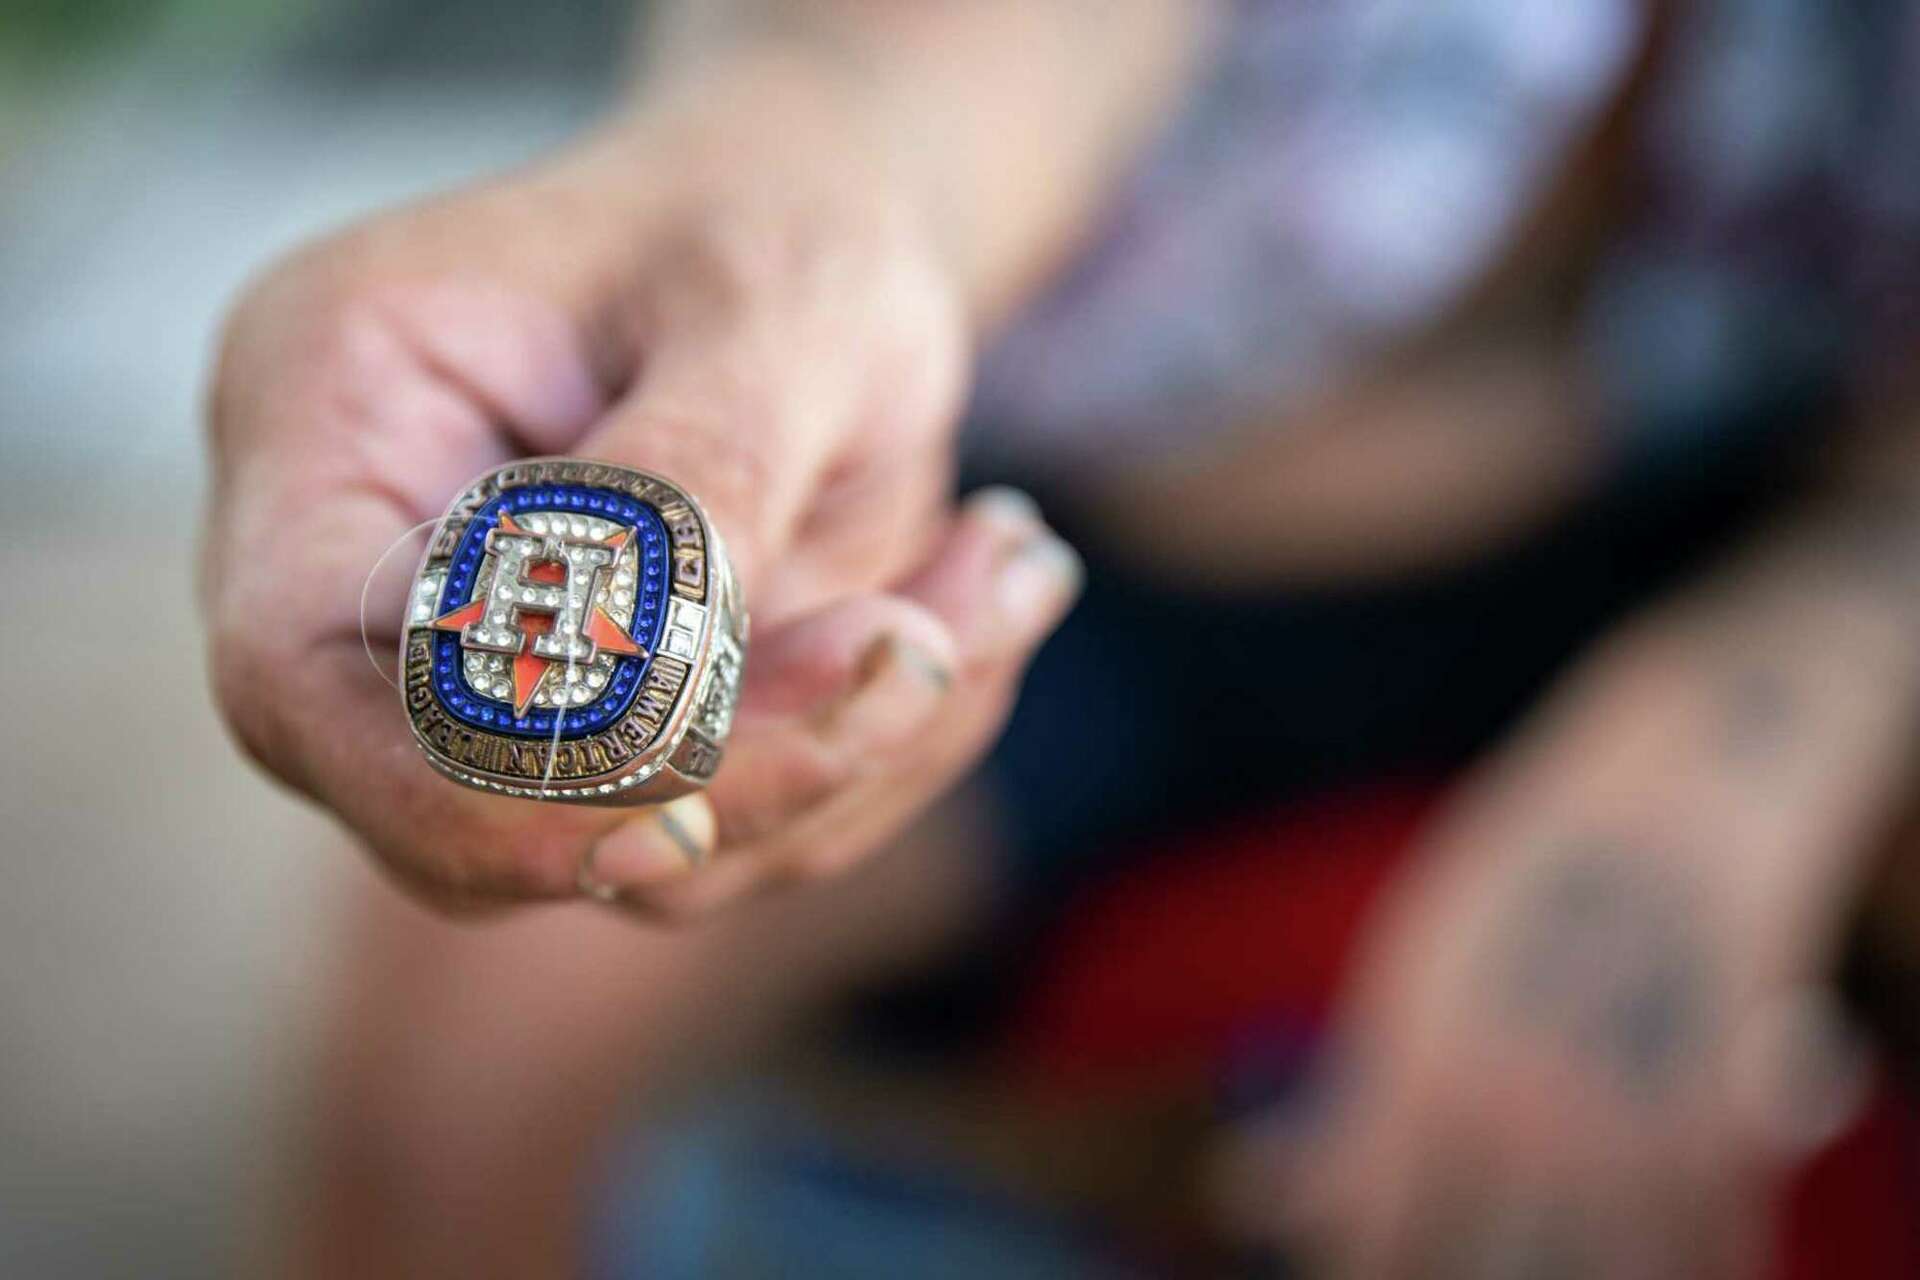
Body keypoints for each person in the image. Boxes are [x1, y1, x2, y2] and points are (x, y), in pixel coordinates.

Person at [203, 1, 1920, 1275]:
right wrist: (809, 157)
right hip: (1071, 533)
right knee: (486, 1000)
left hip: (1769, 550)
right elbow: (966, 66)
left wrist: (1748, 730)